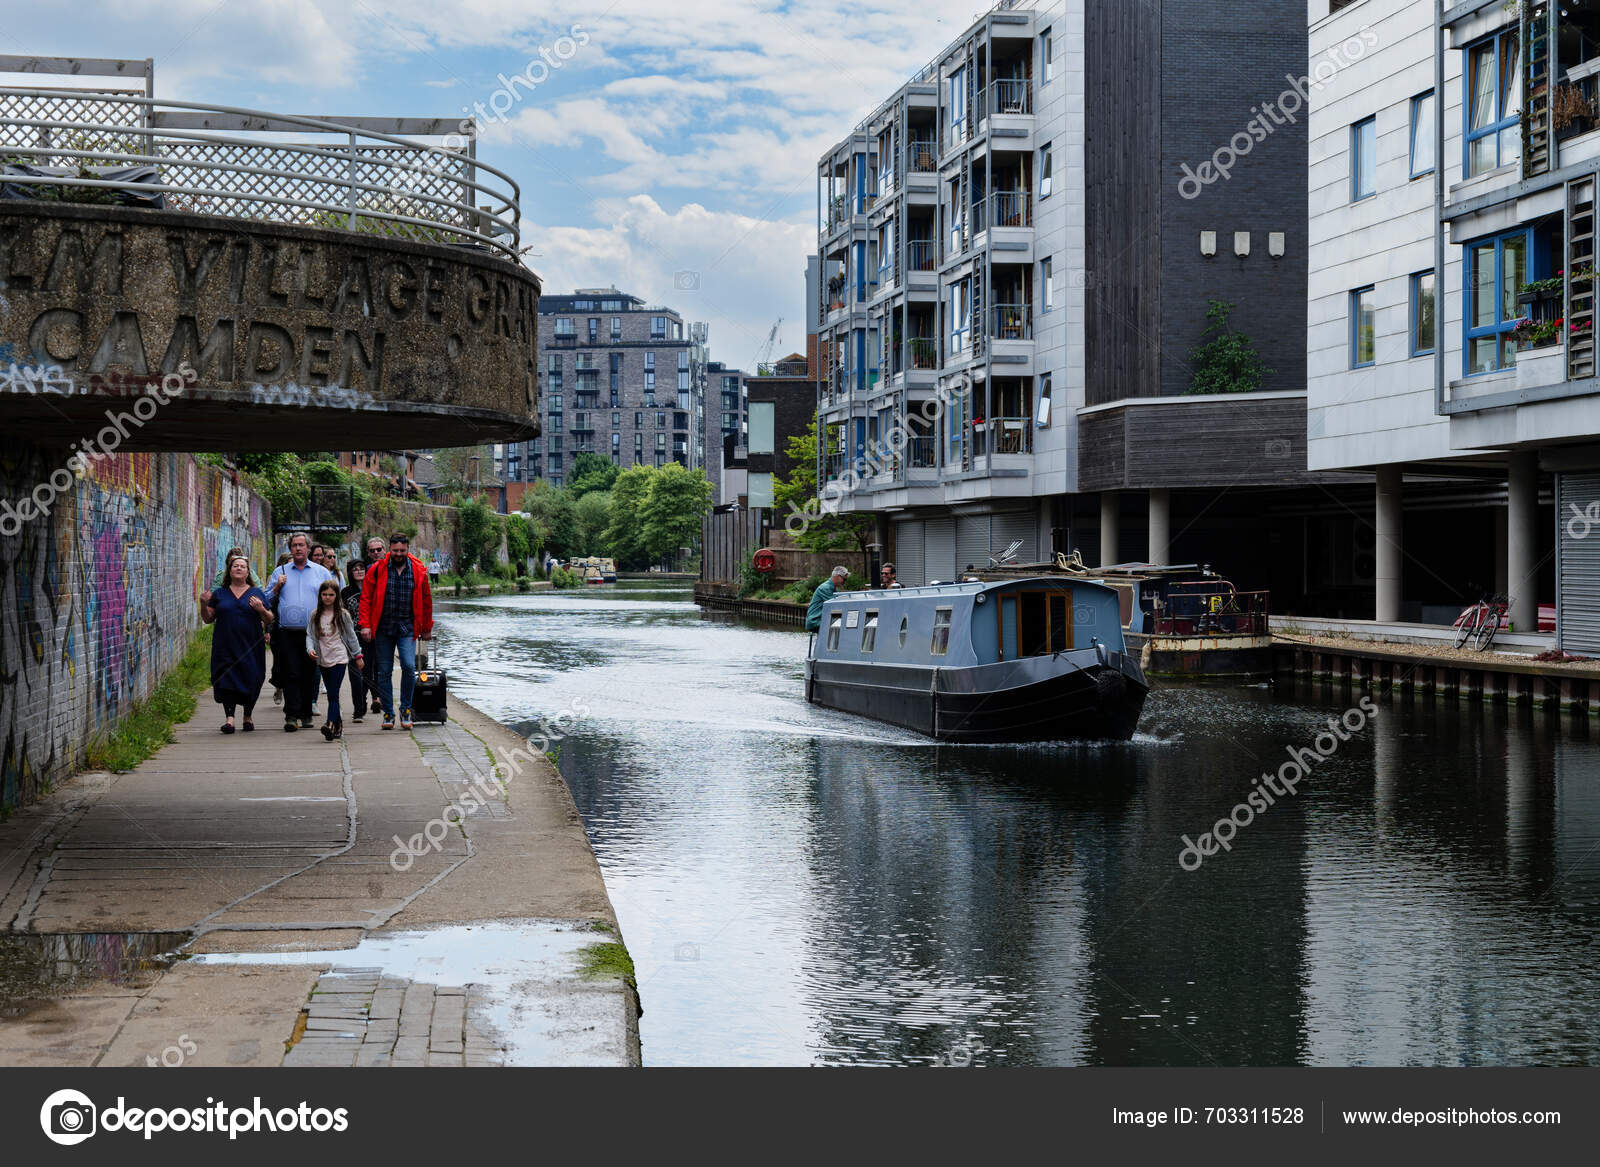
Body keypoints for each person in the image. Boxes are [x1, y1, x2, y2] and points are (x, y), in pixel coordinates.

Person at [359, 532, 434, 731]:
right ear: (389, 551)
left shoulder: (418, 570)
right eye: (395, 551)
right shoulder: (377, 570)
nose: (398, 554)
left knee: (409, 667)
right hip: (383, 627)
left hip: (407, 627)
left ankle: (406, 709)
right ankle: (389, 713)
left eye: (402, 550)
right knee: (384, 671)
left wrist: (427, 628)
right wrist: (365, 624)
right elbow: (365, 599)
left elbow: (426, 601)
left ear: (408, 549)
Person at [265, 533, 335, 732]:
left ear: (308, 549)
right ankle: (291, 715)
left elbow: (331, 598)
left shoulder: (321, 573)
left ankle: (306, 714)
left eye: (301, 545)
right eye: (294, 545)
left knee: (309, 673)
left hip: (313, 632)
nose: (298, 549)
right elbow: (266, 599)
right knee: (290, 673)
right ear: (290, 549)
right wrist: (278, 585)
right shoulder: (281, 571)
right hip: (287, 631)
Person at [200, 555, 273, 733]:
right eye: (235, 566)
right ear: (230, 571)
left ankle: (247, 715)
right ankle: (230, 719)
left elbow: (270, 618)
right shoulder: (220, 594)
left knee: (253, 677)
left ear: (248, 572)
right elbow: (208, 618)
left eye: (242, 566)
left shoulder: (256, 593)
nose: (239, 568)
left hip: (250, 645)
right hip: (224, 644)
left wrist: (260, 609)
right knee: (226, 678)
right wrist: (203, 604)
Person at [307, 580, 363, 741]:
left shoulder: (343, 615)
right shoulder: (315, 614)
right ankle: (338, 726)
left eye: (331, 595)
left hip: (339, 657)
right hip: (323, 657)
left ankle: (330, 723)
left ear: (336, 596)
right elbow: (310, 635)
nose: (327, 597)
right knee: (332, 695)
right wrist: (310, 649)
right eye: (324, 594)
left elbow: (351, 637)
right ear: (320, 596)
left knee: (333, 692)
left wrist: (358, 656)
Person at [341, 561, 369, 724]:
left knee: (368, 672)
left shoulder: (371, 588)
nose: (359, 572)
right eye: (355, 569)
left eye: (361, 568)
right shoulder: (345, 592)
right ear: (350, 573)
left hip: (370, 635)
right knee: (354, 674)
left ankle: (365, 700)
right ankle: (358, 709)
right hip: (352, 637)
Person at [361, 537, 387, 713]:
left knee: (382, 664)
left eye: (379, 549)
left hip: (386, 625)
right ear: (368, 553)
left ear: (385, 550)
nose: (376, 553)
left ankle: (379, 696)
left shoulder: (391, 568)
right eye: (372, 550)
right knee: (367, 664)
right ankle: (373, 697)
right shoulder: (367, 571)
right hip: (370, 624)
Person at [806, 565, 850, 633]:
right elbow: (837, 605)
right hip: (815, 621)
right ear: (838, 576)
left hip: (821, 619)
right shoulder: (825, 588)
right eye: (844, 579)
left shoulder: (832, 589)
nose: (845, 582)